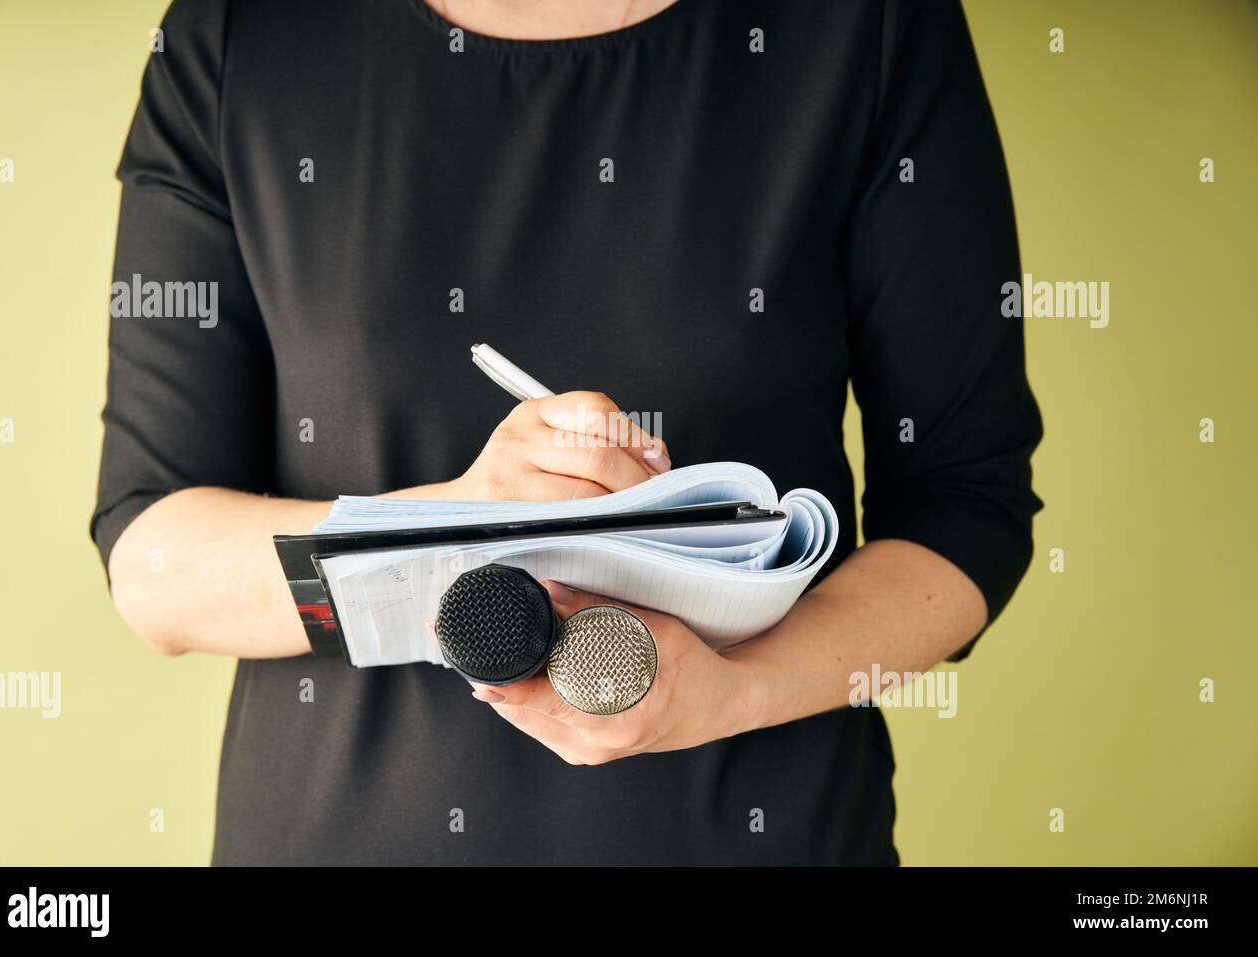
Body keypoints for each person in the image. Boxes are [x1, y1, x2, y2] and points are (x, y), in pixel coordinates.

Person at [93, 0, 1042, 865]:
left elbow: (966, 505)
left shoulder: (863, 28)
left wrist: (736, 690)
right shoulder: (244, 38)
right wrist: (458, 520)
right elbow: (154, 565)